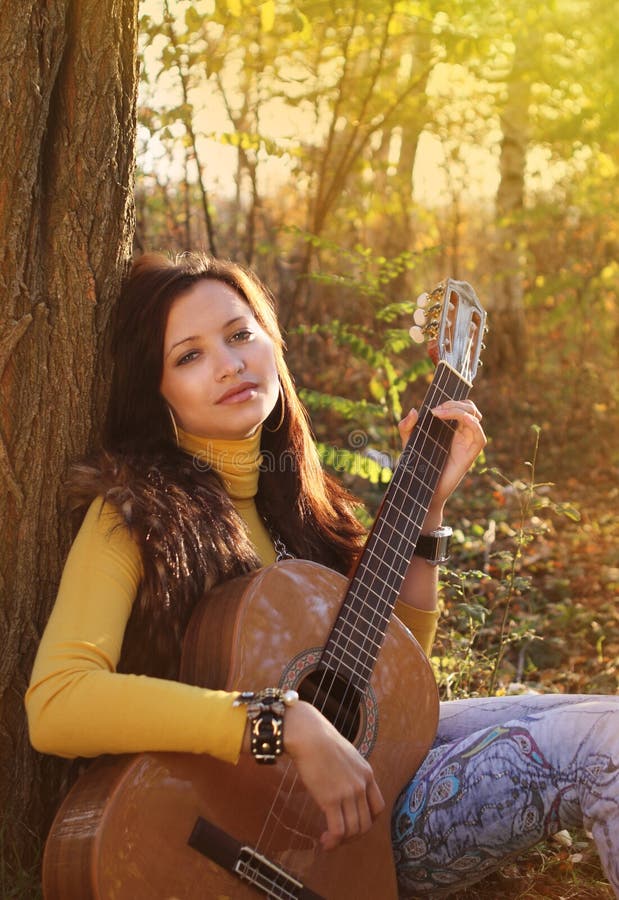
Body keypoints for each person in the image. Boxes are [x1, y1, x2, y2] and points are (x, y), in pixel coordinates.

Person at [26, 252, 618, 898]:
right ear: (156, 392)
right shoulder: (136, 515)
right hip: (256, 843)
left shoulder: (299, 505)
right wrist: (282, 725)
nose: (228, 363)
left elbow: (391, 685)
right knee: (600, 747)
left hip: (365, 805)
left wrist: (429, 509)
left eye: (239, 334)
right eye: (188, 356)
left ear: (269, 346)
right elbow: (58, 703)